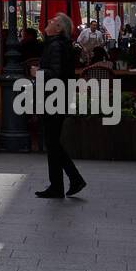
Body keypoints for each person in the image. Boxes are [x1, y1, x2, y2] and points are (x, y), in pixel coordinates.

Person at [36, 13, 86, 199]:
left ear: (59, 29)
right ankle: (63, 183)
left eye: (52, 22)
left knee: (52, 142)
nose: (48, 23)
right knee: (53, 142)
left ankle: (69, 181)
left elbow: (56, 74)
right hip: (58, 97)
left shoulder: (56, 45)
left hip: (55, 97)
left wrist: (39, 72)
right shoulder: (58, 44)